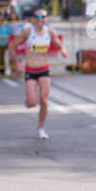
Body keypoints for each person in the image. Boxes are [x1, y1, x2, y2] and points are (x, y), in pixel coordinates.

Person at [10, 10, 66, 139]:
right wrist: (17, 63)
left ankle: (41, 128)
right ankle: (29, 102)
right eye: (38, 17)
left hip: (44, 70)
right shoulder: (28, 32)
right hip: (30, 70)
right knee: (32, 103)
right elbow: (12, 46)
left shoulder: (50, 32)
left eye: (43, 17)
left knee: (44, 101)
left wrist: (63, 50)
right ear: (33, 19)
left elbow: (58, 43)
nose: (41, 19)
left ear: (46, 19)